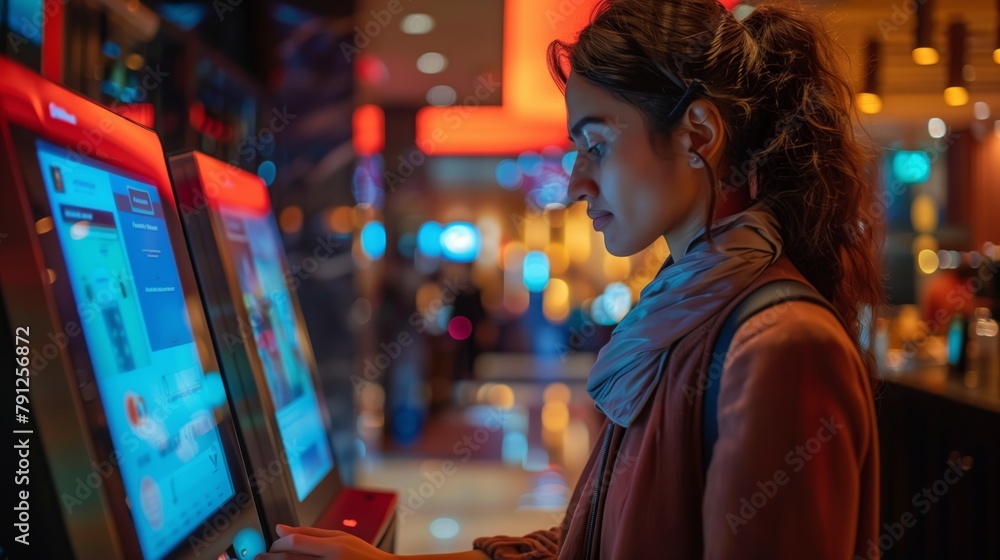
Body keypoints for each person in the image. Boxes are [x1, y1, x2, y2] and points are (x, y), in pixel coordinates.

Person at [257, 0, 884, 558]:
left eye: (597, 145)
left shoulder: (778, 347)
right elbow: (595, 539)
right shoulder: (683, 311)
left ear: (698, 133)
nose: (577, 183)